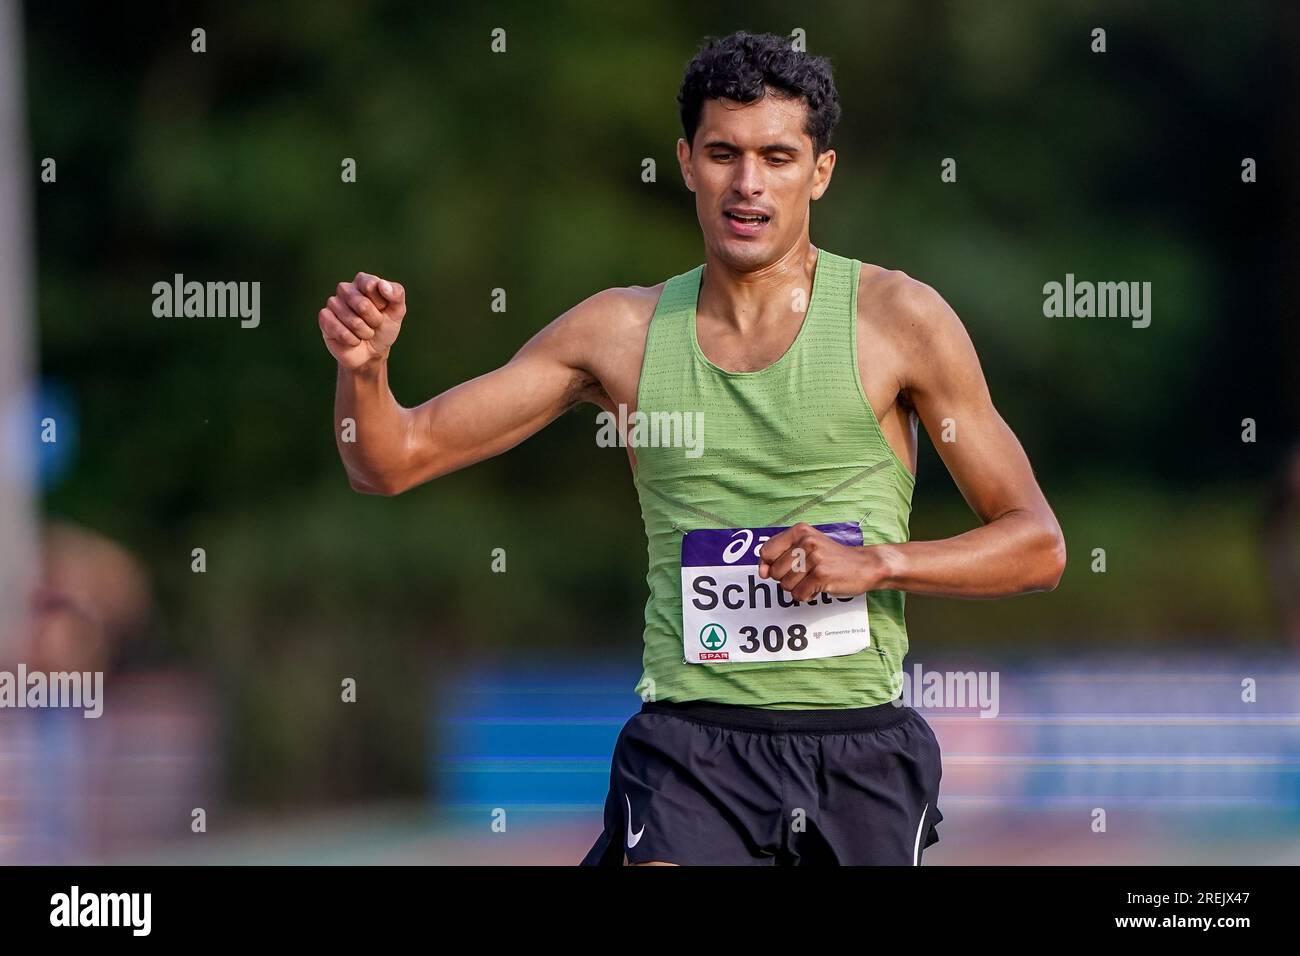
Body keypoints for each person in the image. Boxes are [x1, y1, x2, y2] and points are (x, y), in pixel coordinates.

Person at [317, 31, 1065, 865]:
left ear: (820, 171)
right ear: (686, 161)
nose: (748, 184)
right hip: (690, 751)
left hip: (859, 750)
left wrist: (878, 563)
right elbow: (390, 460)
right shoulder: (620, 333)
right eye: (723, 154)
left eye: (778, 156)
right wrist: (366, 371)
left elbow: (1036, 545)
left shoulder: (900, 321)